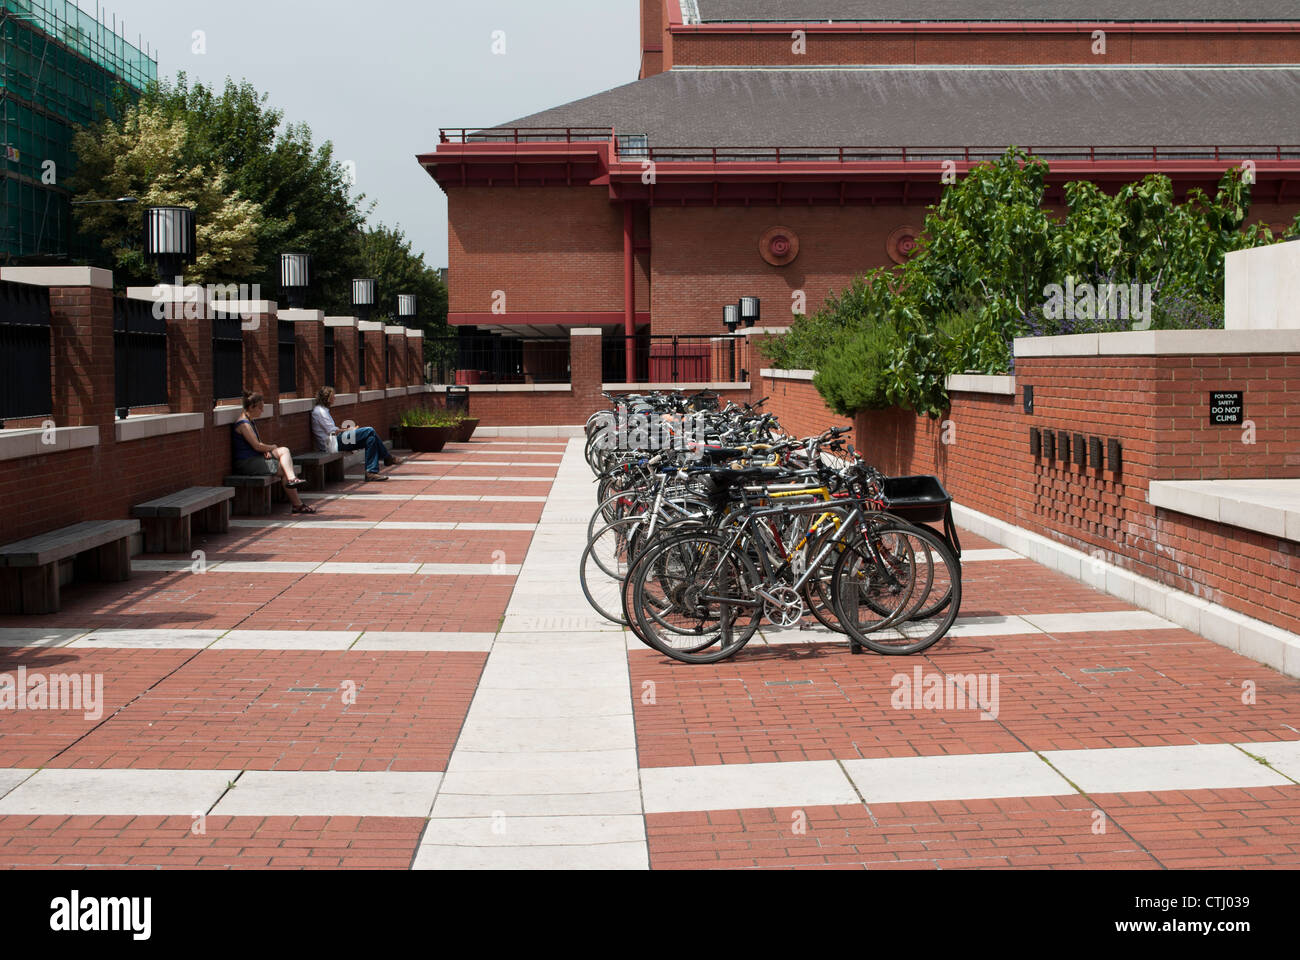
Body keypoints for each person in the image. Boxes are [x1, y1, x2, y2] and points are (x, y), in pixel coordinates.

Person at [232, 391, 317, 515]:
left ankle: (295, 493)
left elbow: (258, 444)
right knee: (284, 466)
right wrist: (271, 447)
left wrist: (265, 451)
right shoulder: (244, 424)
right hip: (246, 463)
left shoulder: (250, 421)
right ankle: (297, 501)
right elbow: (257, 445)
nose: (262, 411)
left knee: (284, 452)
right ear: (251, 407)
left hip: (255, 458)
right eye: (260, 408)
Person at [311, 386, 399, 482]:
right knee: (369, 430)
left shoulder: (323, 410)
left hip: (335, 440)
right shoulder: (319, 411)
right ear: (327, 398)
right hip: (331, 443)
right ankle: (387, 457)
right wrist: (348, 430)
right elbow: (332, 431)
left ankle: (371, 472)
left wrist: (348, 430)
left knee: (371, 440)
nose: (334, 398)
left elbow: (332, 430)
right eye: (333, 396)